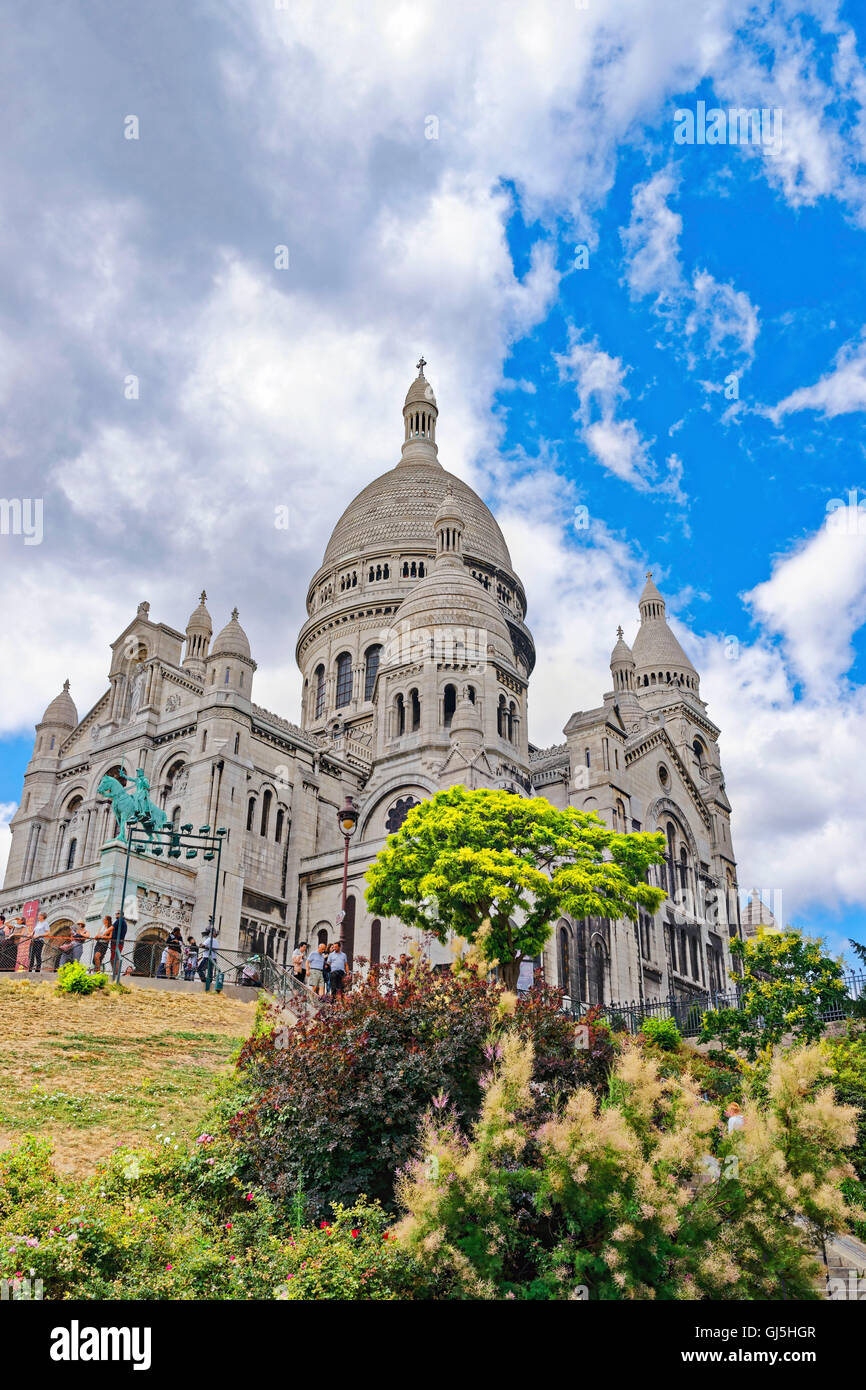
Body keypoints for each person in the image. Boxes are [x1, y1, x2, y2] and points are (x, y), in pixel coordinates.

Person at [196, 919, 220, 987]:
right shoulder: (216, 941)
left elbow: (202, 945)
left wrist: (202, 945)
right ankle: (209, 981)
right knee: (210, 971)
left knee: (199, 969)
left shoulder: (209, 939)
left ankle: (204, 980)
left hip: (207, 958)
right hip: (214, 958)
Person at [109, 912, 128, 977]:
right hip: (116, 942)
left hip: (117, 943)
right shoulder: (122, 921)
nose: (116, 914)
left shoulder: (120, 920)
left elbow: (111, 928)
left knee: (115, 958)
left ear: (121, 914)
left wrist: (103, 934)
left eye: (117, 913)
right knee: (112, 958)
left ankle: (116, 974)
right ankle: (115, 973)